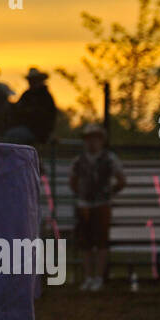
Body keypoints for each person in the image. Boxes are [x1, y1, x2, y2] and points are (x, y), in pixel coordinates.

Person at [68, 123, 126, 291]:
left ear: (101, 140)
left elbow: (122, 180)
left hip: (99, 205)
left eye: (95, 138)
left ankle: (96, 277)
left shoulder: (108, 159)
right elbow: (72, 181)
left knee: (99, 243)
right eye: (89, 139)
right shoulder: (81, 160)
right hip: (88, 204)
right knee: (87, 243)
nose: (91, 142)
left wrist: (107, 193)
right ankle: (90, 277)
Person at [4, 67, 57, 145]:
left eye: (33, 80)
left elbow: (44, 116)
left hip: (38, 132)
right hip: (29, 130)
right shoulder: (28, 94)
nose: (31, 82)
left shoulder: (45, 97)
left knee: (12, 136)